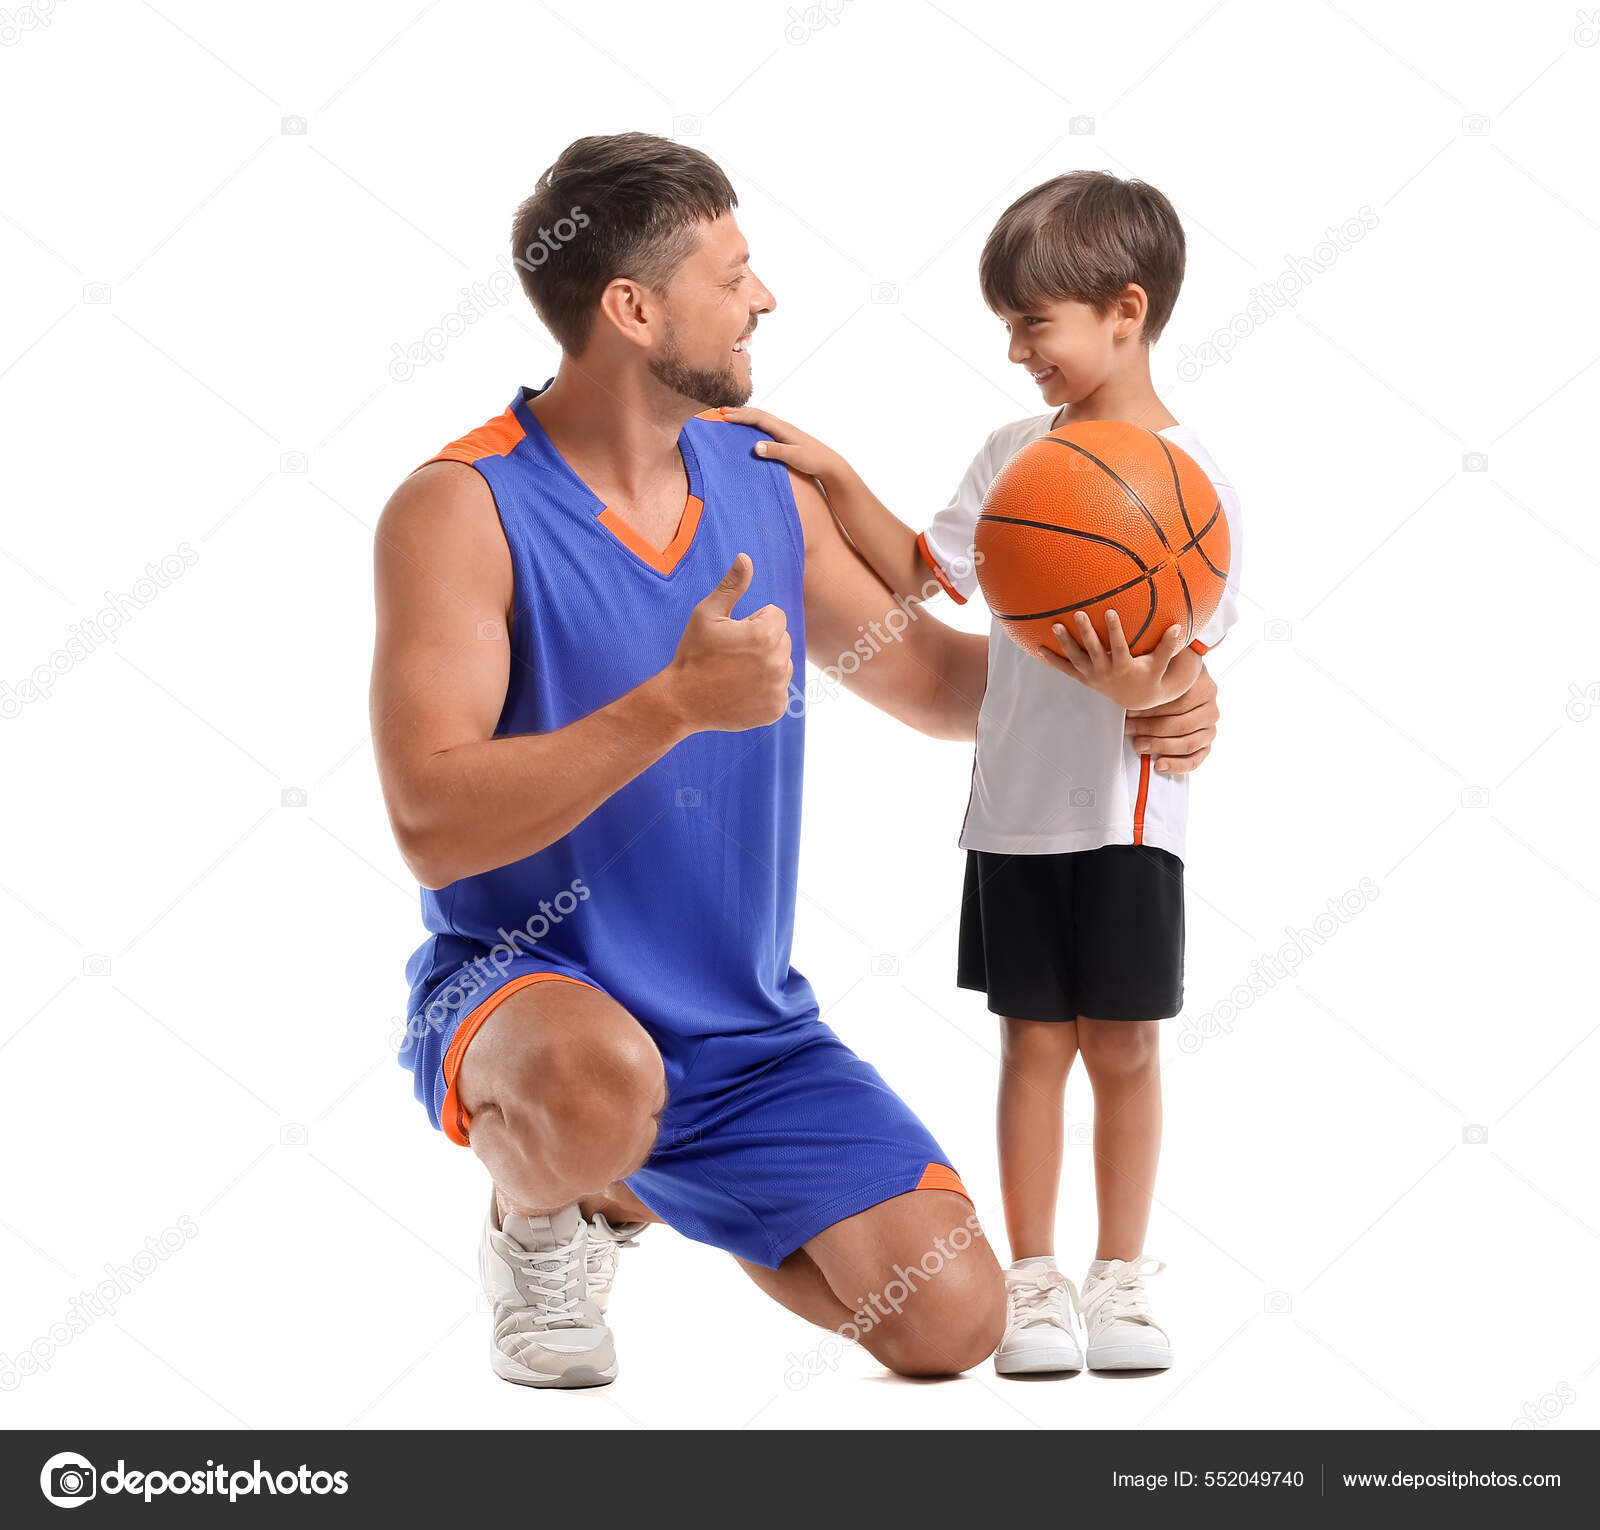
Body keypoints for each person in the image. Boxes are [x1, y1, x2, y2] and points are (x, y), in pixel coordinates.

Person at [370, 137, 1219, 1388]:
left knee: (952, 1327)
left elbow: (940, 686)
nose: (762, 298)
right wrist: (669, 705)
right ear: (634, 307)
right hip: (524, 993)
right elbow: (433, 824)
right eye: (736, 272)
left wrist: (1149, 683)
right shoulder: (460, 506)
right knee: (598, 1077)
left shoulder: (759, 480)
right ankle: (541, 1210)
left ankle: (625, 1182)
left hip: (745, 1034)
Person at [723, 169, 1242, 1376]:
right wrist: (836, 475)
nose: (1016, 349)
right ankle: (1033, 1283)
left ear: (1125, 309)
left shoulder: (1187, 482)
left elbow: (1185, 684)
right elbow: (918, 577)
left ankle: (1119, 1281)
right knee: (1029, 1047)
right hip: (1008, 817)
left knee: (1121, 1049)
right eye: (1005, 323)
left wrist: (1143, 695)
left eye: (1033, 322)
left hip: (1121, 819)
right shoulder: (1014, 453)